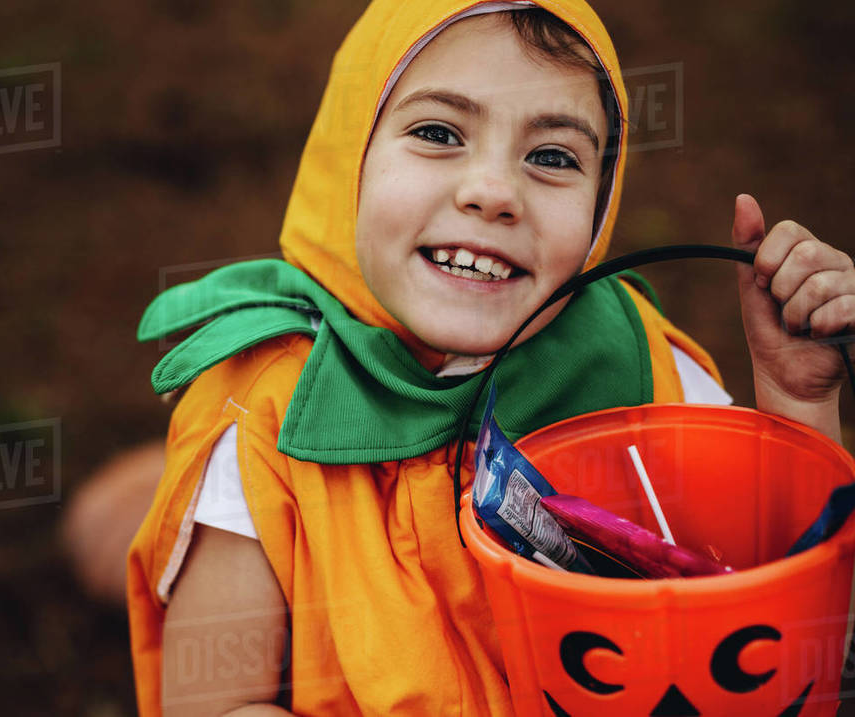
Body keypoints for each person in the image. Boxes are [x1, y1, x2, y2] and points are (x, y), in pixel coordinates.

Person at [126, 0, 855, 714]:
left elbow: (795, 630)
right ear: (349, 156)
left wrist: (798, 403)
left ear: (601, 204)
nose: (494, 193)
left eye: (551, 156)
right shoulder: (267, 413)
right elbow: (216, 703)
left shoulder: (640, 368)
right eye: (440, 132)